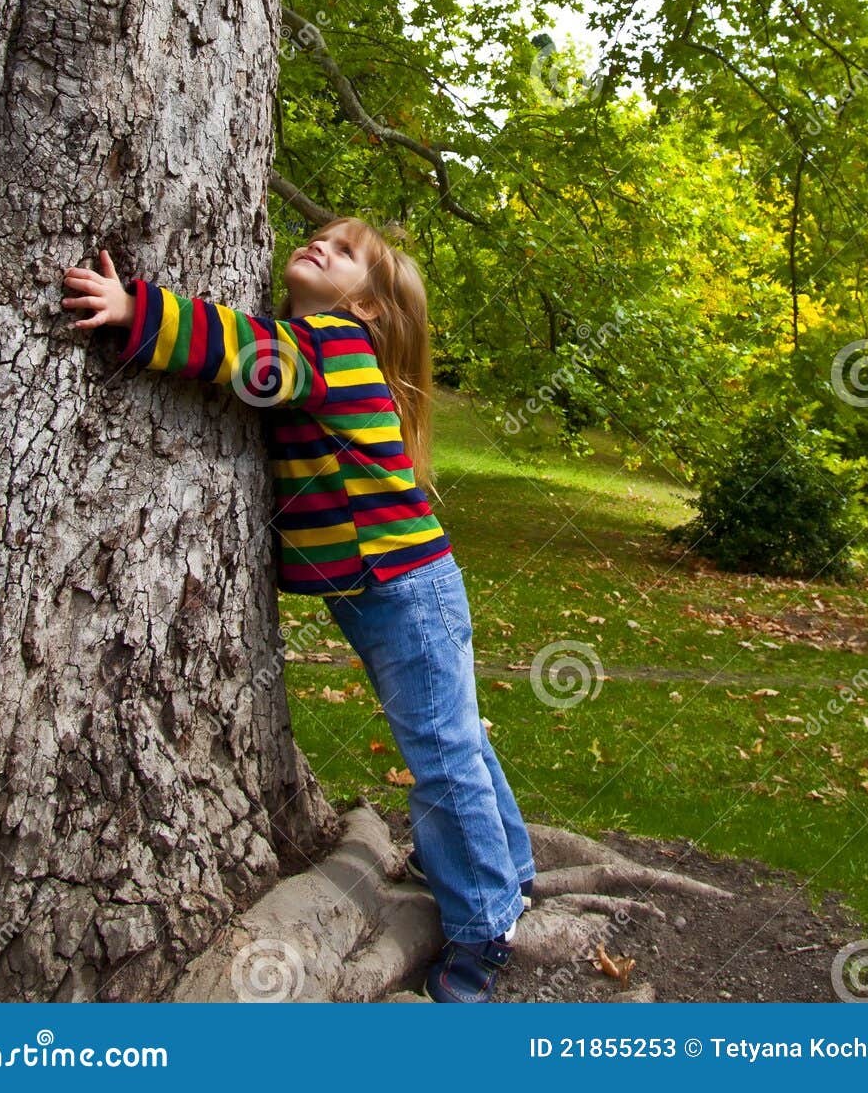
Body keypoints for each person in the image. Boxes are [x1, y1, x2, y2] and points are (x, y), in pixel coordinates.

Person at [61, 216, 535, 1002]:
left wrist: (133, 309)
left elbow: (235, 346)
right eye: (320, 236)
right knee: (456, 742)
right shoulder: (322, 348)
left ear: (367, 307)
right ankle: (508, 869)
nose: (319, 245)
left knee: (443, 754)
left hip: (402, 588)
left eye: (344, 252)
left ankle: (483, 926)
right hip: (397, 587)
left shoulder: (334, 344)